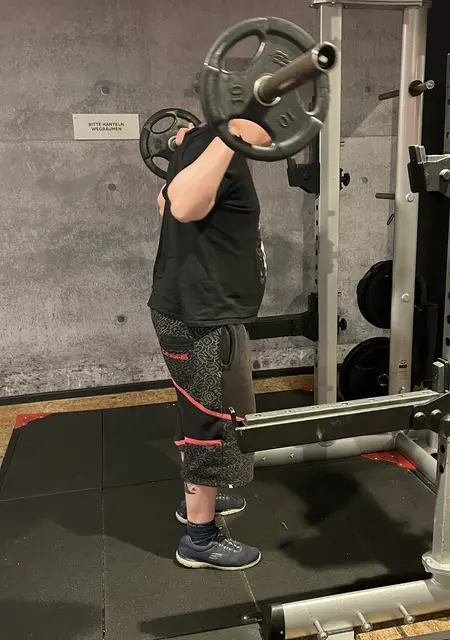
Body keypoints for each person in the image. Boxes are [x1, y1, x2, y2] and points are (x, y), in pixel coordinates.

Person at [148, 118, 271, 570]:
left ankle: (200, 500)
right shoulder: (219, 142)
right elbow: (180, 205)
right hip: (201, 315)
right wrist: (223, 141)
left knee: (202, 410)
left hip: (195, 308)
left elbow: (162, 202)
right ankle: (199, 538)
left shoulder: (202, 143)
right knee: (210, 420)